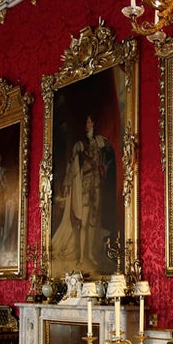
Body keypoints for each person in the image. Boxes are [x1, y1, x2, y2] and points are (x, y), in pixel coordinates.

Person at [52, 115, 112, 271]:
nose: (88, 124)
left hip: (97, 186)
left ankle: (91, 254)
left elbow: (107, 158)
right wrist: (67, 183)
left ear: (94, 124)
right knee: (84, 223)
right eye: (86, 122)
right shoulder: (80, 145)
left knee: (93, 221)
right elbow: (72, 165)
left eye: (90, 121)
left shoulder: (99, 142)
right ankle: (81, 256)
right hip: (85, 187)